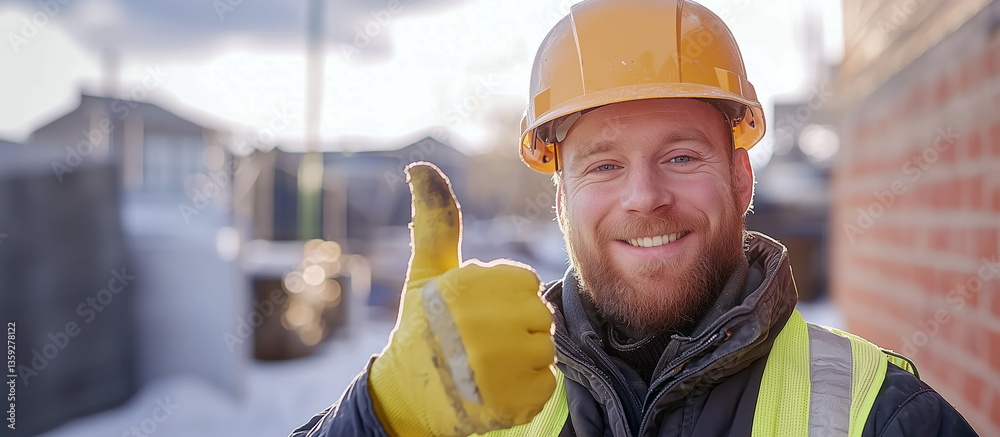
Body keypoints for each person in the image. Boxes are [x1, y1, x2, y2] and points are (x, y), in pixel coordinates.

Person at [291, 0, 978, 435]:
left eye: (681, 157)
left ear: (741, 178)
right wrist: (384, 414)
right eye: (603, 165)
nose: (644, 197)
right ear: (561, 200)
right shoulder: (463, 399)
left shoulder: (879, 413)